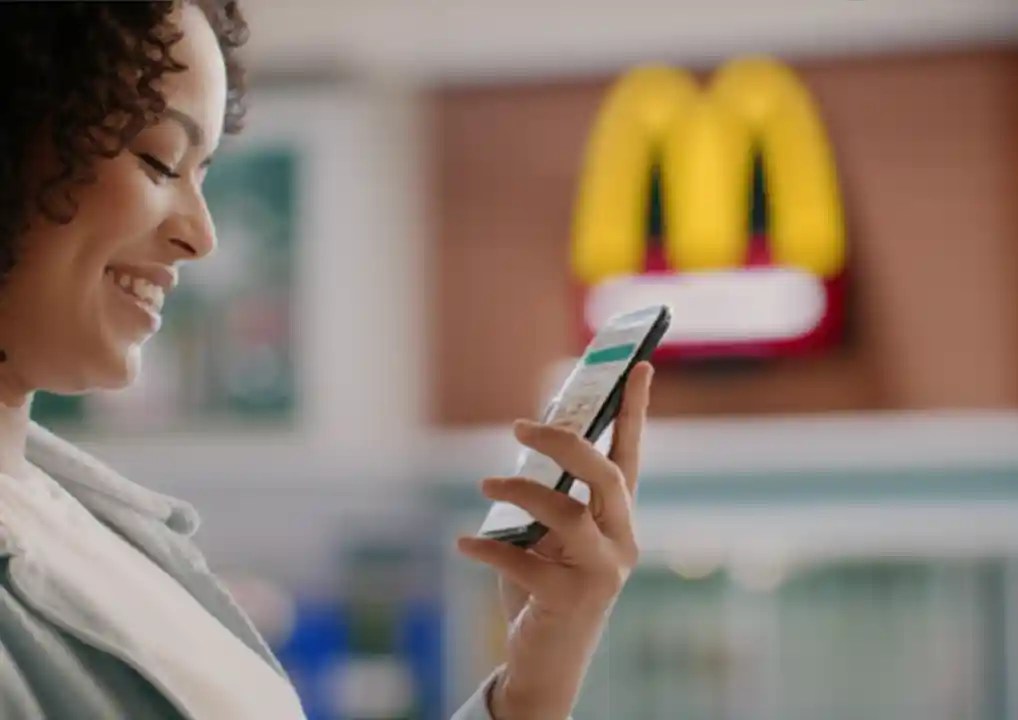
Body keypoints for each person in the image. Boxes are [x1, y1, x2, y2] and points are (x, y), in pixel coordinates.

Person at [0, 2, 652, 719]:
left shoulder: (103, 532)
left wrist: (538, 670)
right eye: (159, 160)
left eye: (204, 174)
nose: (201, 234)